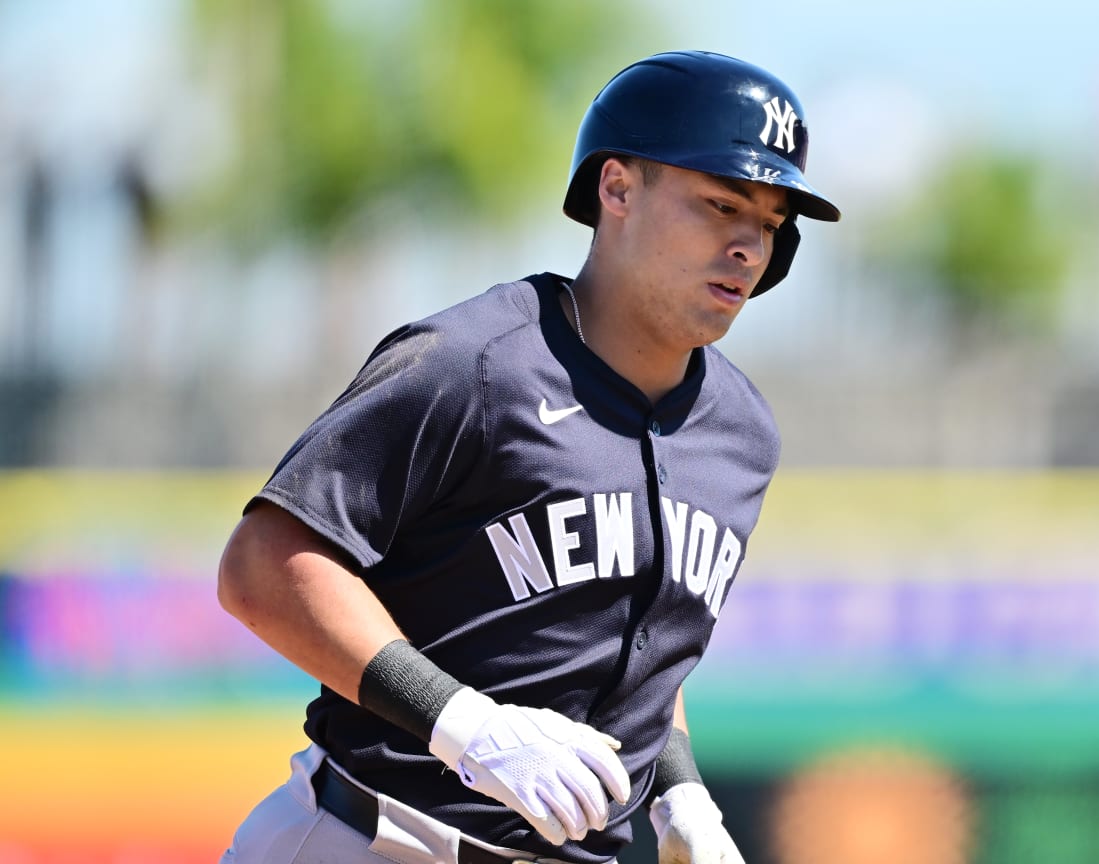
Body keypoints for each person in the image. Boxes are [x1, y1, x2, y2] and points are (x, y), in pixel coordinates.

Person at [215, 49, 840, 864]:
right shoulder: (473, 362)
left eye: (769, 223)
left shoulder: (743, 431)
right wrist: (466, 726)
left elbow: (637, 632)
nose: (748, 246)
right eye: (722, 204)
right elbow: (262, 565)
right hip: (371, 838)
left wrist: (679, 790)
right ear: (617, 189)